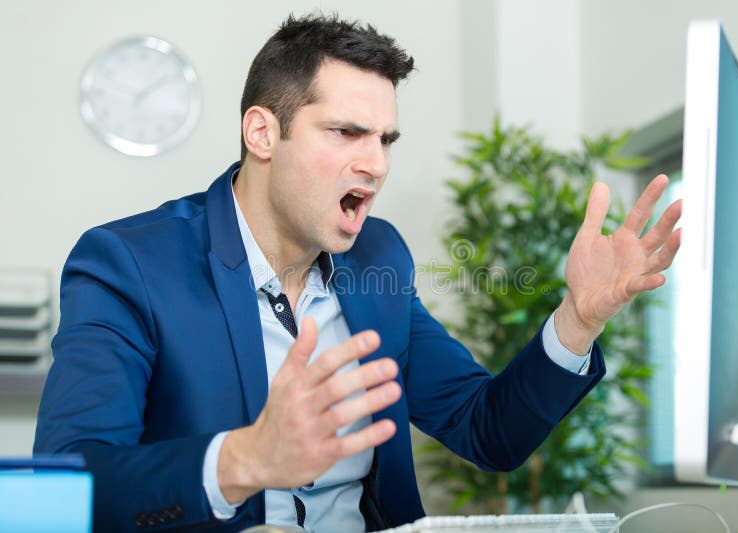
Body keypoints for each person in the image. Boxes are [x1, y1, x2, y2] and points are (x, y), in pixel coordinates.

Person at [34, 13, 681, 533]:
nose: (375, 163)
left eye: (386, 139)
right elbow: (63, 490)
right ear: (262, 133)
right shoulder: (129, 264)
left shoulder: (379, 258)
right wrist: (244, 459)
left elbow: (487, 428)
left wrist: (577, 320)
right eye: (347, 132)